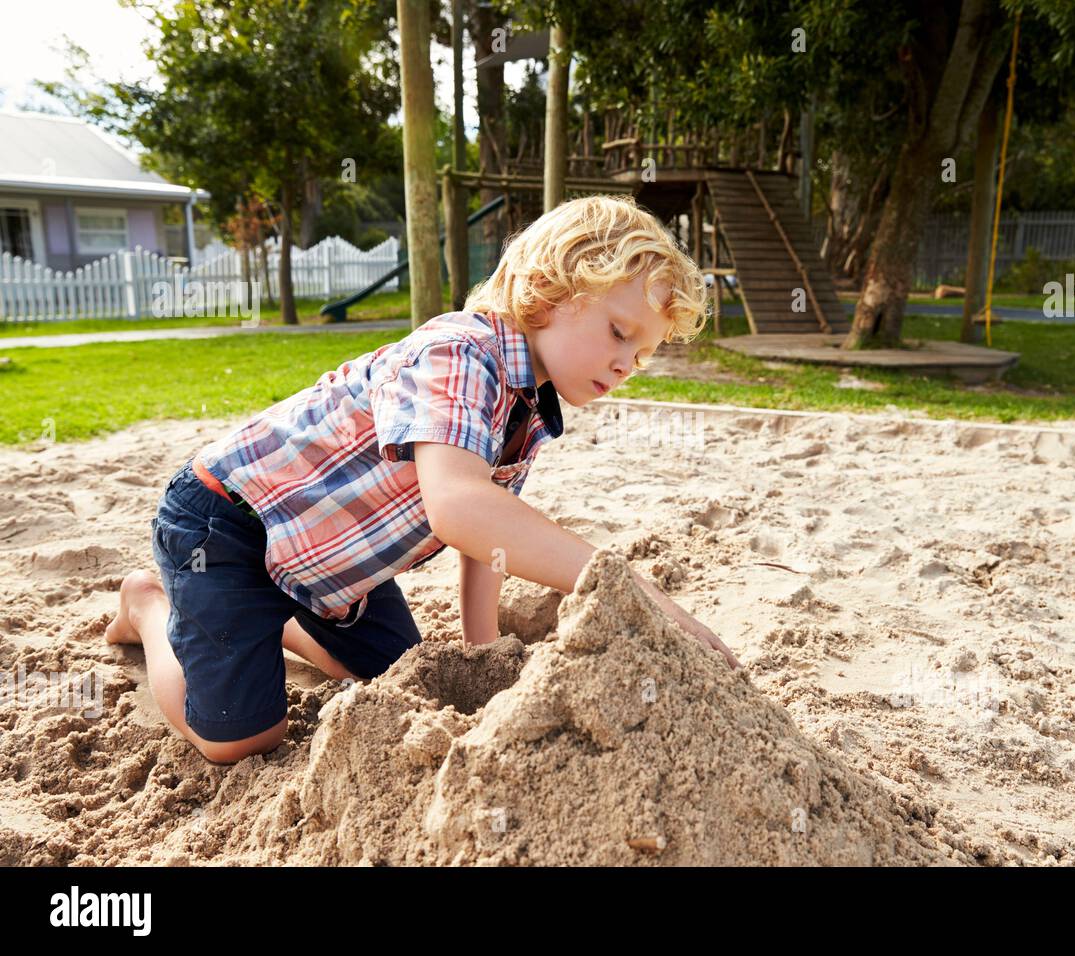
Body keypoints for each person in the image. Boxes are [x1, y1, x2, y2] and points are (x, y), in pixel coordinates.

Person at [104, 194, 740, 765]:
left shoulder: (529, 407)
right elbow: (459, 507)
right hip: (228, 523)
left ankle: (264, 621)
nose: (627, 363)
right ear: (545, 292)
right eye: (619, 332)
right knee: (238, 739)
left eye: (644, 353)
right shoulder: (461, 354)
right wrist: (629, 585)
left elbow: (487, 532)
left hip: (327, 562)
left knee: (398, 676)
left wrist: (482, 654)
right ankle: (148, 605)